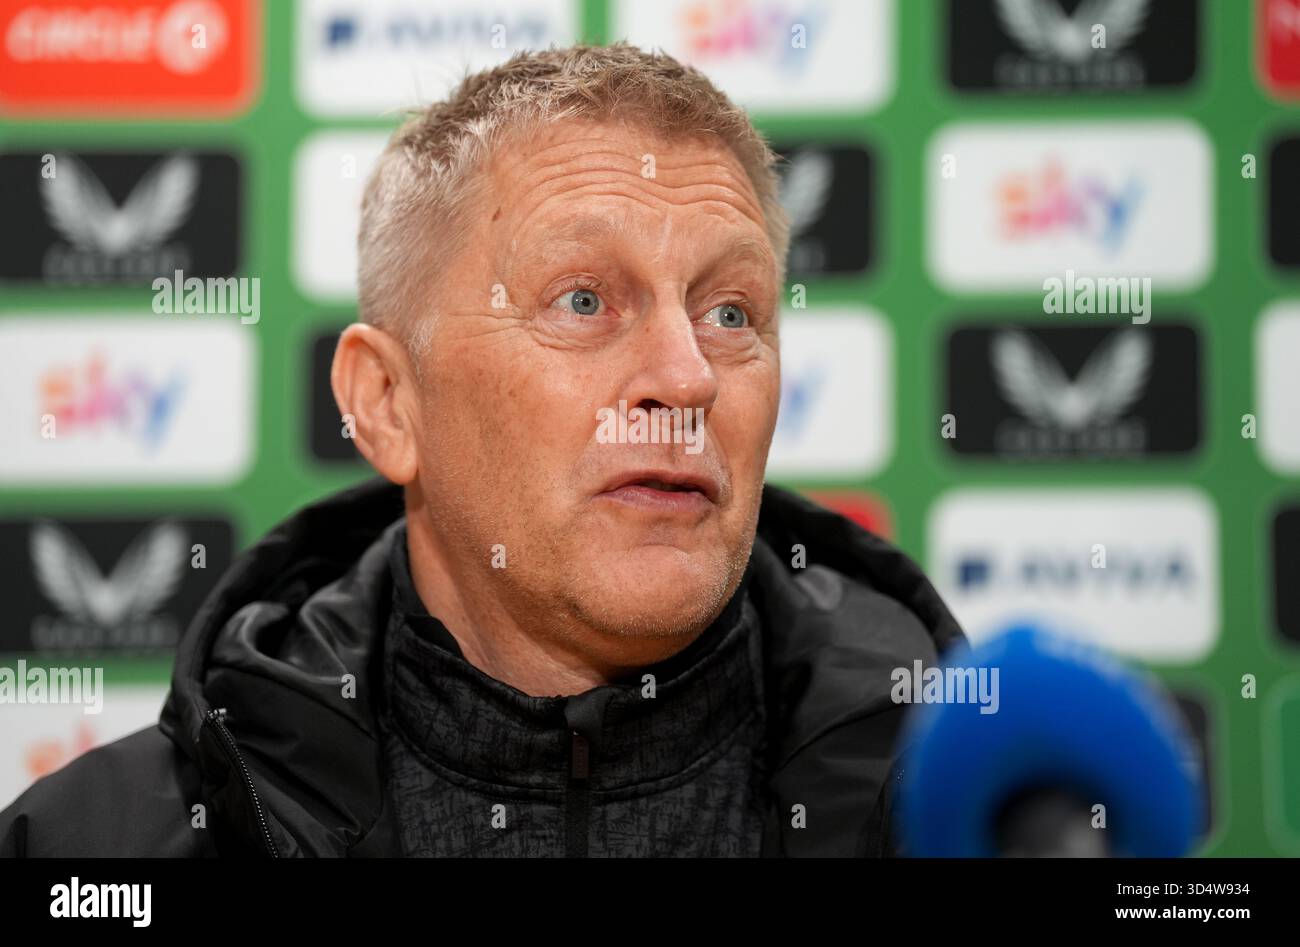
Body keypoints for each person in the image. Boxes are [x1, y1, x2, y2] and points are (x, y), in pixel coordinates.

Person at [0, 43, 963, 857]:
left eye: (730, 311)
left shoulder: (981, 812)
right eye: (583, 300)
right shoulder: (92, 848)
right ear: (387, 405)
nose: (688, 377)